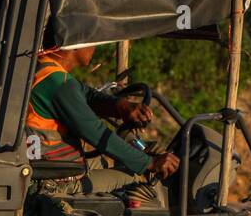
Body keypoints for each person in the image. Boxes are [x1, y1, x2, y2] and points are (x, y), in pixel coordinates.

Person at [26, 45, 180, 204]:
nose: (95, 48)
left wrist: (120, 106)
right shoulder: (59, 84)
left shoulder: (43, 68)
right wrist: (150, 163)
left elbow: (87, 94)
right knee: (139, 176)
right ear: (77, 44)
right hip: (52, 182)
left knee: (106, 162)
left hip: (45, 165)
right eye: (92, 43)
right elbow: (95, 132)